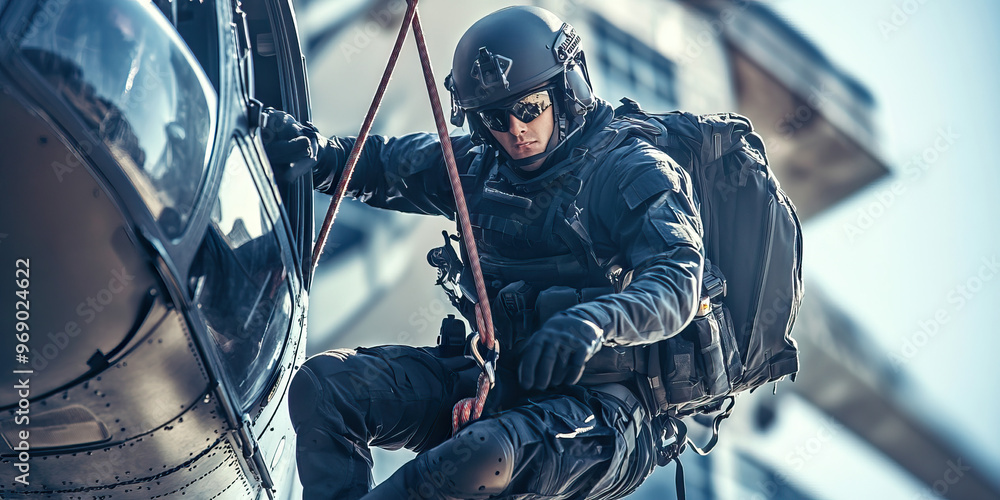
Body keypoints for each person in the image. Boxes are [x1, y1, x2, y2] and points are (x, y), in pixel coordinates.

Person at [265, 6, 707, 499]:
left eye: (529, 107)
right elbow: (382, 166)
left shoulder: (629, 168)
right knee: (326, 387)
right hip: (496, 384)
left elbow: (677, 281)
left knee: (480, 457)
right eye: (496, 117)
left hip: (608, 412)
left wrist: (595, 321)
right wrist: (316, 153)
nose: (515, 129)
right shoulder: (480, 169)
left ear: (568, 92)